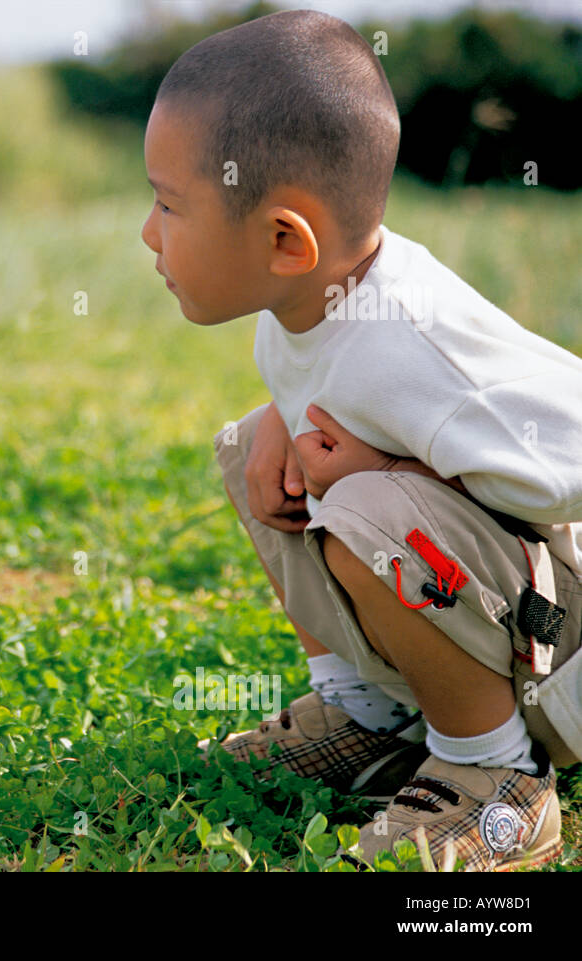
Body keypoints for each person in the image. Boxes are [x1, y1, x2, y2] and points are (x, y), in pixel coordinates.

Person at [140, 8, 582, 871]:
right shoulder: (308, 307)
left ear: (283, 240)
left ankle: (496, 778)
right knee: (256, 447)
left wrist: (392, 470)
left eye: (168, 204)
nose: (149, 233)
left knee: (370, 508)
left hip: (559, 657)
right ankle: (370, 723)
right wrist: (284, 419)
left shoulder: (416, 344)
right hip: (504, 621)